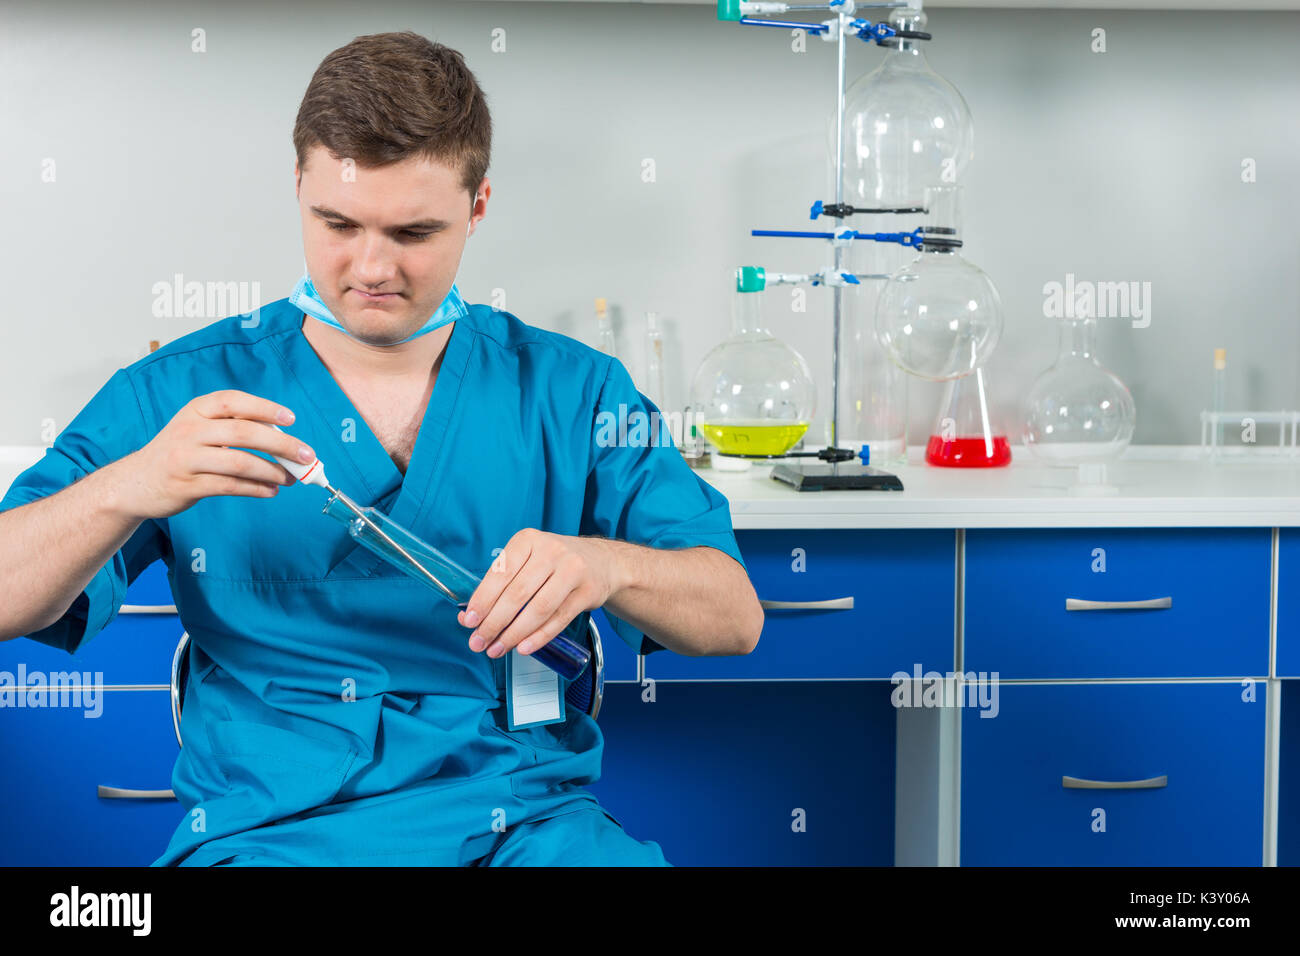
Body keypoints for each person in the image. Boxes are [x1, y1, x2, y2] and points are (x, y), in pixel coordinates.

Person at [0, 31, 763, 866]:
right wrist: (127, 487)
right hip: (269, 836)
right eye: (337, 223)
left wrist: (608, 567)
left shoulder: (572, 394)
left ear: (478, 208)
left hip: (521, 828)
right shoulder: (180, 392)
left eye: (413, 232)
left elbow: (734, 617)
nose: (371, 267)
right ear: (298, 188)